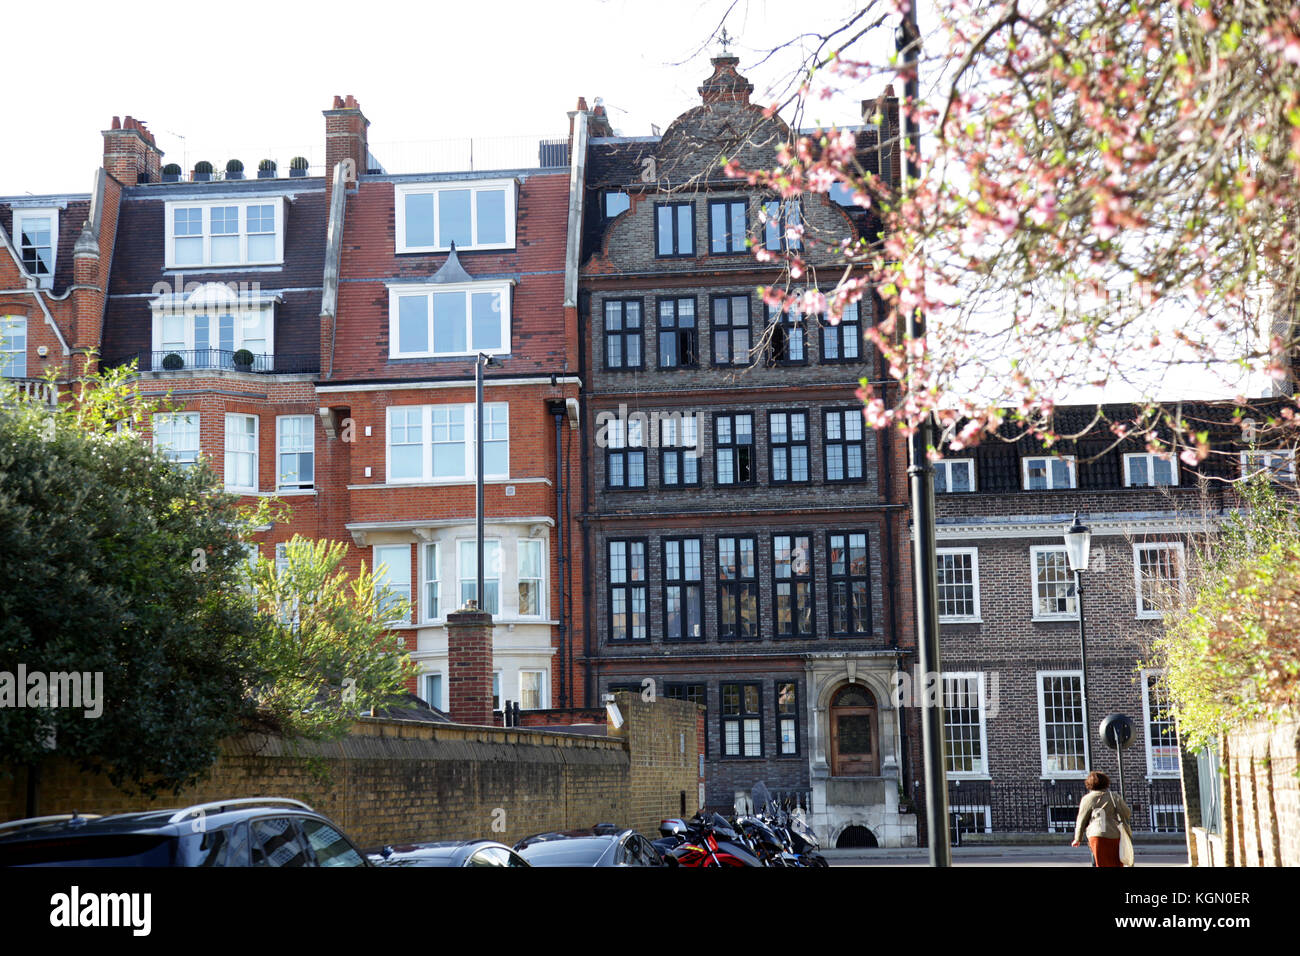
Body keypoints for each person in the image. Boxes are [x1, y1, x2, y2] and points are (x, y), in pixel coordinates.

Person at [1071, 771, 1132, 867]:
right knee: (1115, 863)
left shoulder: (1087, 799)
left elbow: (1081, 820)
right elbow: (1127, 812)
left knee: (1099, 863)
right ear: (1106, 782)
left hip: (1096, 835)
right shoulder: (1114, 796)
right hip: (1113, 834)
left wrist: (1077, 838)